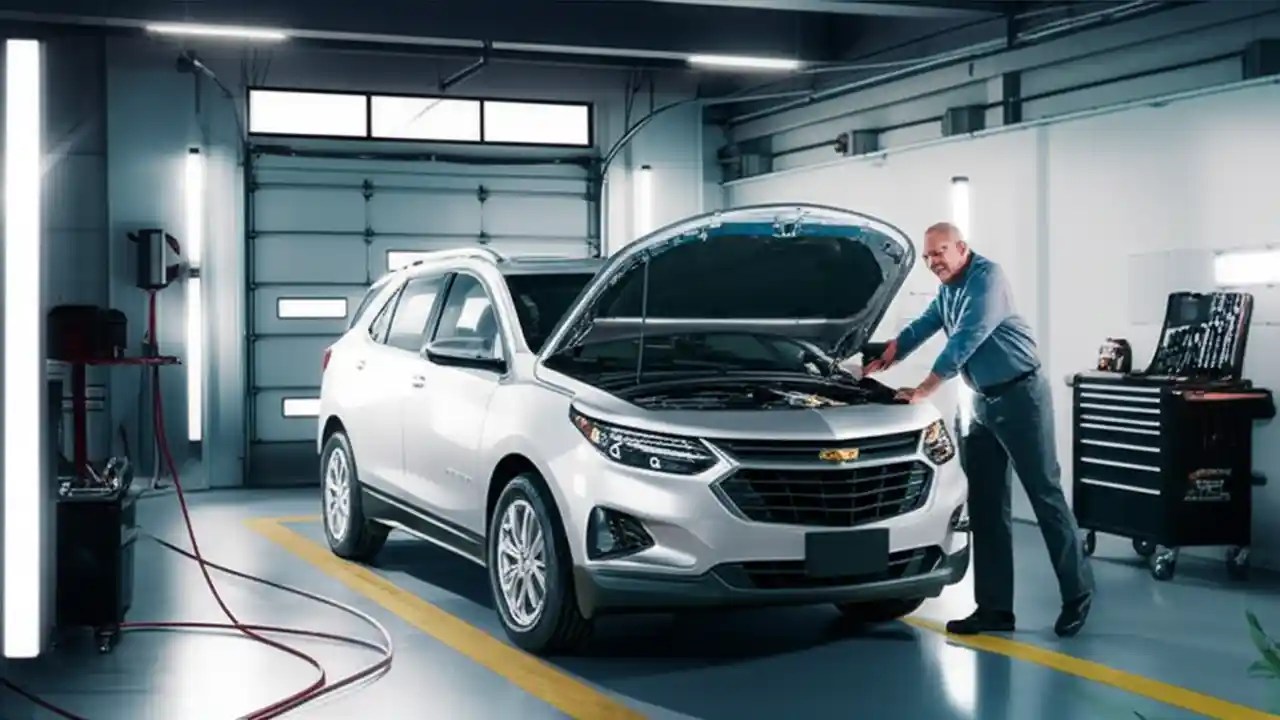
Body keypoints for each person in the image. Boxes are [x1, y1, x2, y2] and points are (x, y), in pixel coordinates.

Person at [864, 222, 1094, 637]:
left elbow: (966, 340)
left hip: (1021, 396)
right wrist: (888, 355)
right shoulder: (948, 287)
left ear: (962, 248)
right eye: (928, 256)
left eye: (941, 252)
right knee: (986, 507)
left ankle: (1078, 594)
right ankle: (994, 610)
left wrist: (925, 389)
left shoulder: (988, 279)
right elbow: (926, 323)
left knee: (1045, 496)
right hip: (980, 401)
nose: (934, 262)